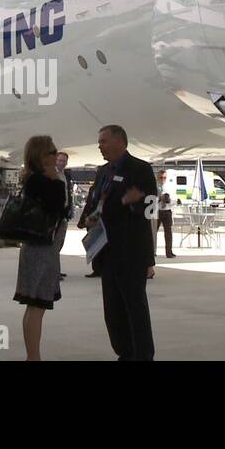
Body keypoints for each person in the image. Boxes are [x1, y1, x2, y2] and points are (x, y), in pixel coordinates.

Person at [84, 124, 157, 361]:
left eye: (104, 141)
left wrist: (137, 201)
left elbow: (152, 207)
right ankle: (124, 353)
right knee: (112, 311)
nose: (100, 146)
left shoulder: (140, 169)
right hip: (106, 252)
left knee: (135, 308)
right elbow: (98, 200)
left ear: (120, 142)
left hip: (131, 253)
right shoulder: (103, 171)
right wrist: (90, 217)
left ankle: (142, 355)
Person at [12, 135, 67, 361]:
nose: (57, 156)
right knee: (37, 306)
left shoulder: (33, 180)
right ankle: (33, 357)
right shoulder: (43, 182)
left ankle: (32, 356)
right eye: (52, 152)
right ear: (42, 157)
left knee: (34, 306)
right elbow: (56, 208)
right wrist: (56, 180)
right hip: (41, 249)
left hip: (36, 247)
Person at [55, 152, 74, 279]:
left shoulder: (65, 175)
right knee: (54, 243)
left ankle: (56, 269)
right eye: (60, 160)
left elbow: (68, 192)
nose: (62, 163)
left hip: (64, 213)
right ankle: (54, 271)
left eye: (64, 161)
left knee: (60, 242)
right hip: (55, 214)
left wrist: (70, 208)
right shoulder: (52, 174)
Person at [78, 181, 101, 278]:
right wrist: (83, 219)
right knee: (93, 244)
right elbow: (89, 204)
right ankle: (96, 269)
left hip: (101, 219)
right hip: (92, 218)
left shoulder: (106, 188)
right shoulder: (93, 189)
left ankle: (102, 268)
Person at [153, 170, 175, 259]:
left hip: (167, 210)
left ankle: (169, 252)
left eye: (164, 178)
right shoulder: (154, 187)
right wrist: (159, 198)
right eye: (161, 177)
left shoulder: (170, 187)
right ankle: (152, 251)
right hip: (157, 211)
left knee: (168, 232)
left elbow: (174, 200)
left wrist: (168, 200)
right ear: (157, 178)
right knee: (154, 232)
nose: (162, 179)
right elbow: (150, 199)